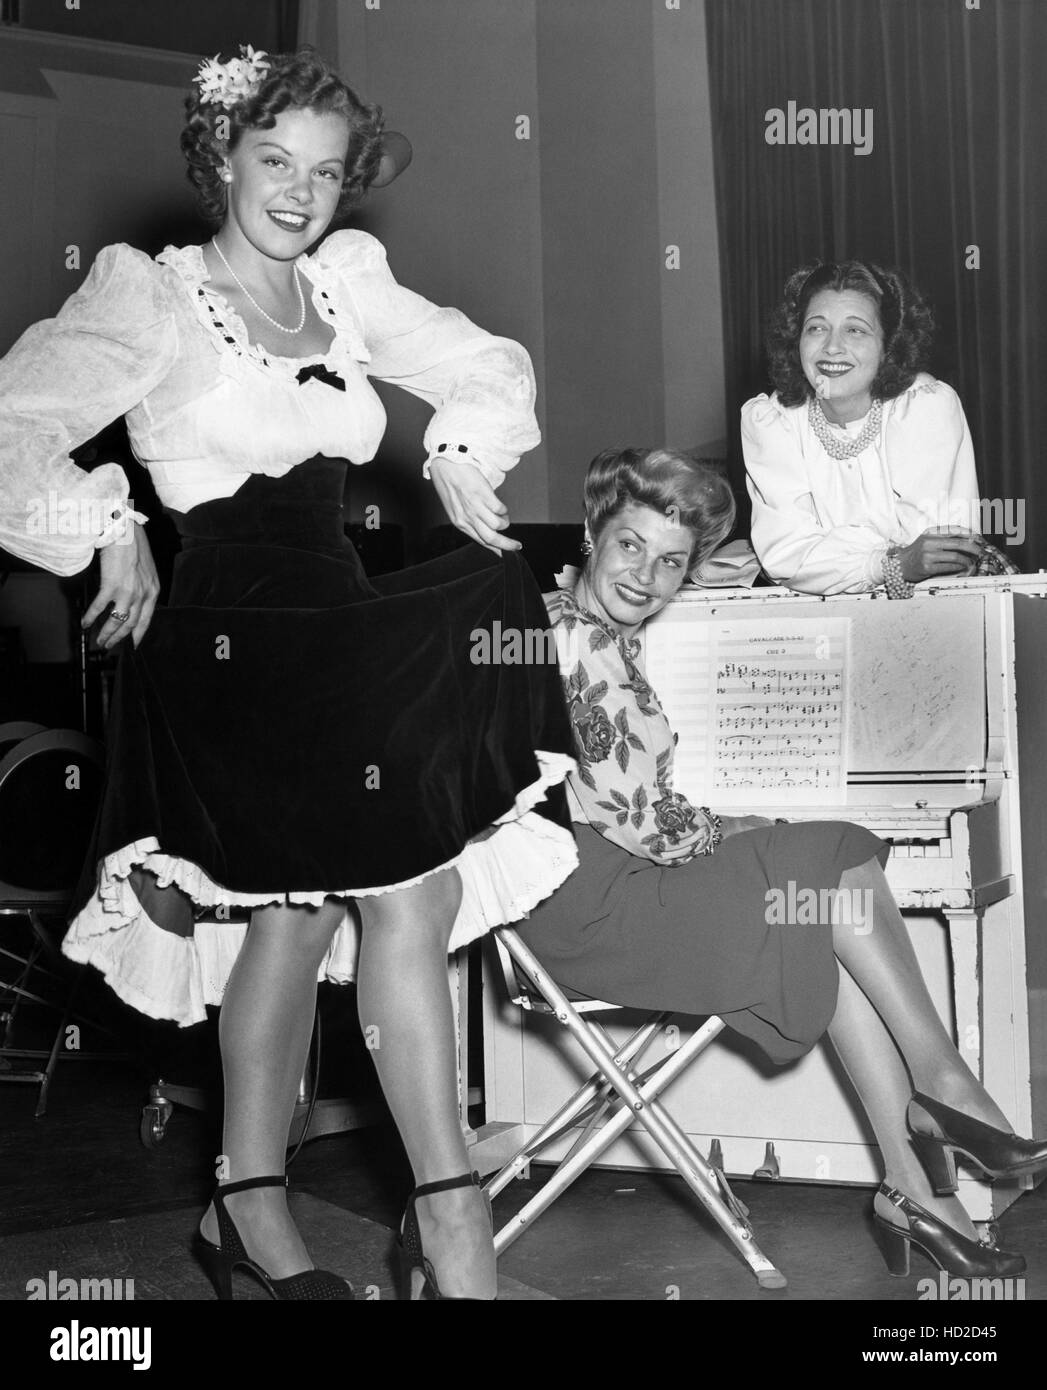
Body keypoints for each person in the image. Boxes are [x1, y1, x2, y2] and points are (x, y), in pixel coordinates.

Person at [0, 45, 579, 1301]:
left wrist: (452, 454)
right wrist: (108, 521)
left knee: (300, 909)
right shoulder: (153, 295)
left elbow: (486, 370)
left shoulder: (347, 285)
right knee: (389, 896)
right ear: (221, 160)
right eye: (273, 160)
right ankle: (449, 1215)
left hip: (337, 615)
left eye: (325, 171)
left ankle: (246, 1202)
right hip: (227, 635)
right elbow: (12, 422)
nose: (298, 192)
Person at [519, 445, 1047, 1278]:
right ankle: (940, 1091)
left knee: (821, 908)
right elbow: (648, 828)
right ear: (592, 532)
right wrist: (749, 825)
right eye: (630, 547)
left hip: (602, 885)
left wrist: (746, 830)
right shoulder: (580, 646)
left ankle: (915, 1188)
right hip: (591, 905)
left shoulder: (584, 625)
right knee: (826, 859)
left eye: (671, 562)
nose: (647, 576)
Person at [742, 261, 1016, 597]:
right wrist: (890, 561)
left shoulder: (924, 406)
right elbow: (787, 557)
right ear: (795, 339)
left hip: (945, 599)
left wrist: (828, 552)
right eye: (816, 328)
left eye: (855, 330)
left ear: (889, 346)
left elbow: (935, 556)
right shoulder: (772, 421)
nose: (832, 347)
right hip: (826, 614)